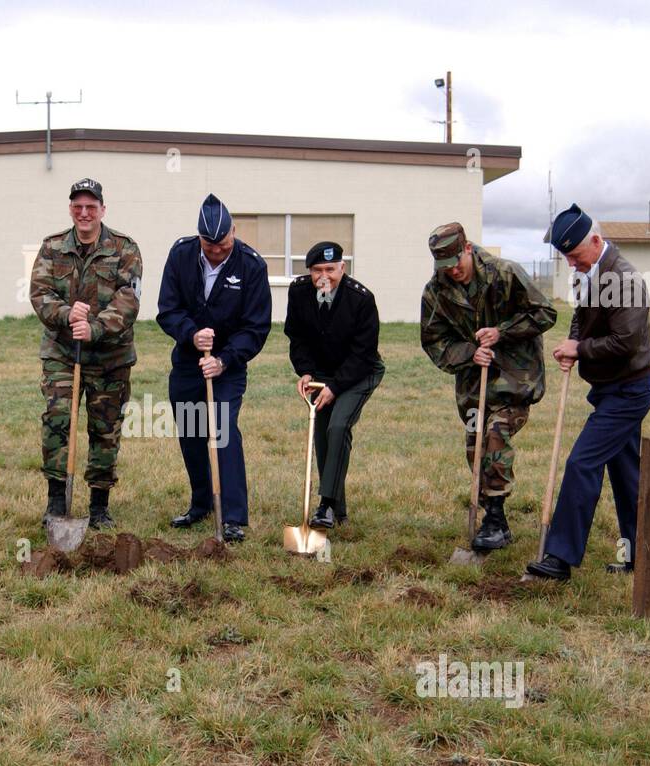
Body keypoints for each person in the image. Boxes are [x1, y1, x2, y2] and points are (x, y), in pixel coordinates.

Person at [526, 204, 650, 581]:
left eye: (575, 255)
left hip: (629, 391)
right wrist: (572, 338)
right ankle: (639, 555)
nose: (571, 264)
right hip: (610, 389)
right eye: (566, 257)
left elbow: (626, 341)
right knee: (627, 475)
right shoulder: (593, 270)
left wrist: (579, 350)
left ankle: (559, 558)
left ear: (596, 241)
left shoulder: (624, 279)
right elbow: (582, 315)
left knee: (582, 462)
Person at [420, 221, 557, 551]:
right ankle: (497, 520)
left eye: (455, 263)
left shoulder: (504, 274)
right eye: (444, 266)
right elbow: (434, 340)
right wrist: (469, 352)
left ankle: (493, 520)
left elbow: (545, 313)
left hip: (515, 382)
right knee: (475, 445)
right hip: (473, 388)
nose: (451, 271)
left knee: (496, 435)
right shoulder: (435, 292)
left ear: (467, 248)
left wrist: (502, 332)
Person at [156, 194, 272, 542]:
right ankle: (202, 503)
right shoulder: (180, 255)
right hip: (189, 362)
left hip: (228, 365)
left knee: (222, 429)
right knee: (192, 432)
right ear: (199, 238)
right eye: (209, 244)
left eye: (222, 243)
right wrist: (192, 335)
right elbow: (167, 309)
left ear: (233, 232)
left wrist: (224, 360)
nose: (216, 251)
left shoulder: (252, 266)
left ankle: (233, 516)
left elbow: (256, 328)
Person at [29, 178, 142, 529]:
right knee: (57, 421)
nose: (84, 213)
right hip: (63, 352)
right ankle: (56, 502)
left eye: (91, 207)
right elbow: (40, 293)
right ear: (71, 210)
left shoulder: (125, 249)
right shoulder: (52, 247)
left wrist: (94, 327)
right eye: (77, 206)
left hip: (110, 357)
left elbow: (129, 300)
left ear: (102, 210)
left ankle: (98, 507)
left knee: (105, 430)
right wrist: (66, 315)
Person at [283, 241, 384, 528]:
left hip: (360, 372)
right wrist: (304, 372)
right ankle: (338, 511)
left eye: (330, 268)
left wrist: (336, 387)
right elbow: (297, 336)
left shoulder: (361, 299)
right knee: (323, 436)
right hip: (321, 372)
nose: (323, 276)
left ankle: (325, 504)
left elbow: (363, 353)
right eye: (317, 270)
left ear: (343, 268)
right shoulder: (299, 292)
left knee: (338, 426)